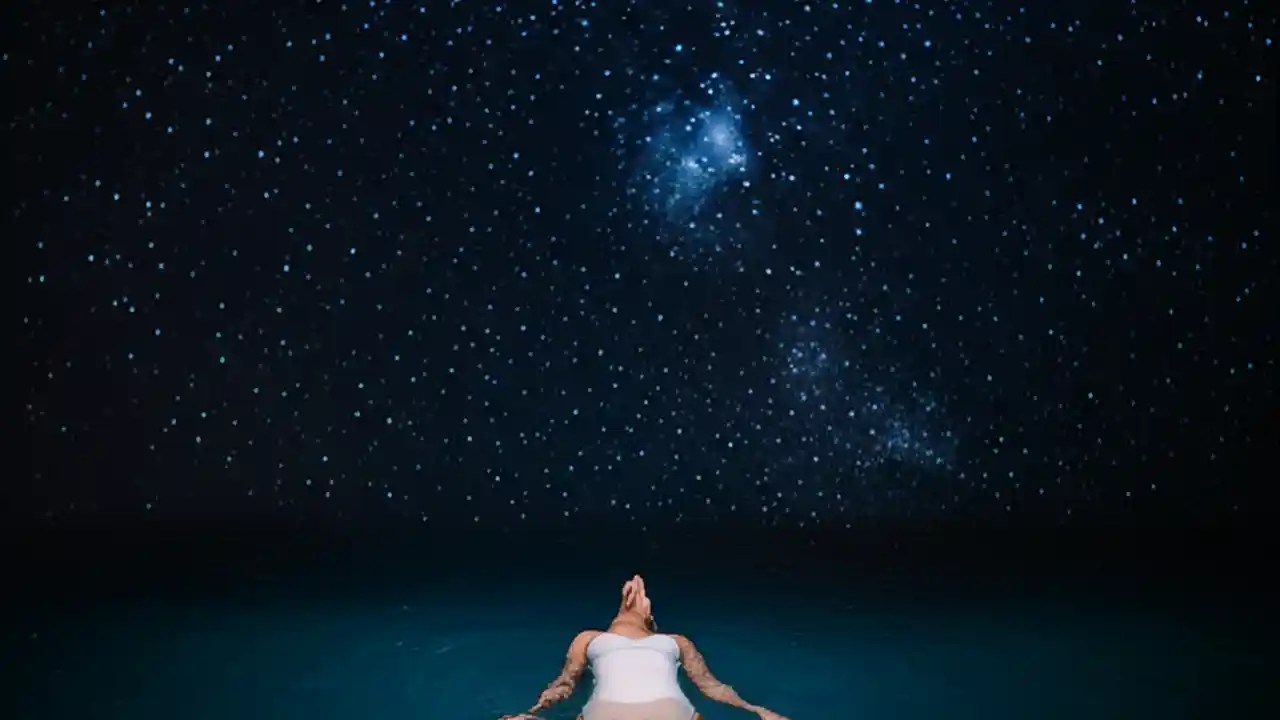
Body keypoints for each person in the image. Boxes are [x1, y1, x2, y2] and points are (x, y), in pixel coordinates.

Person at [500, 574, 790, 720]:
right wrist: (758, 711)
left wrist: (532, 710)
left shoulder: (588, 639)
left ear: (649, 617)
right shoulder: (675, 642)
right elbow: (712, 687)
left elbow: (564, 685)